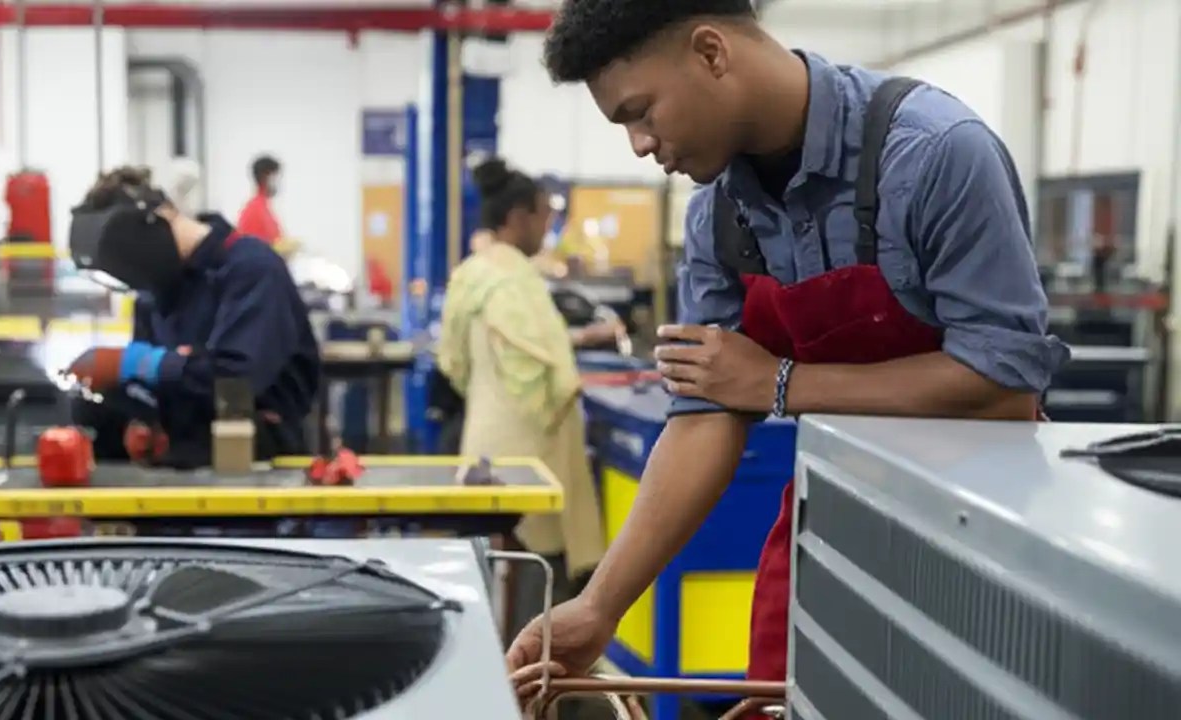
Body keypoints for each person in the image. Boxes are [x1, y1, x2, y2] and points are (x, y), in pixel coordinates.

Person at [506, 0, 1071, 707]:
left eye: (640, 111)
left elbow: (1004, 384)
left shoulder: (934, 154)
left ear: (711, 52)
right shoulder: (718, 216)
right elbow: (705, 411)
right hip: (829, 530)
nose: (640, 145)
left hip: (974, 546)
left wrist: (780, 383)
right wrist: (601, 605)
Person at [436, 158, 614, 637]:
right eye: (543, 215)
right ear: (517, 217)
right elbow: (550, 375)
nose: (547, 227)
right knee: (532, 582)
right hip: (529, 453)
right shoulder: (517, 279)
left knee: (491, 572)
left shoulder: (471, 272)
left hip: (482, 445)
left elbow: (453, 363)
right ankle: (524, 695)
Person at [65, 166, 320, 469]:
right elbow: (150, 385)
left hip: (257, 455)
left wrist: (141, 362)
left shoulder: (251, 269)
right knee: (89, 408)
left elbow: (236, 381)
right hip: (182, 452)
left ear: (159, 221)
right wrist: (140, 420)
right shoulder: (154, 293)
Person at [236, 155, 283, 244]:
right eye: (275, 177)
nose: (278, 183)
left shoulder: (262, 206)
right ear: (266, 177)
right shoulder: (255, 209)